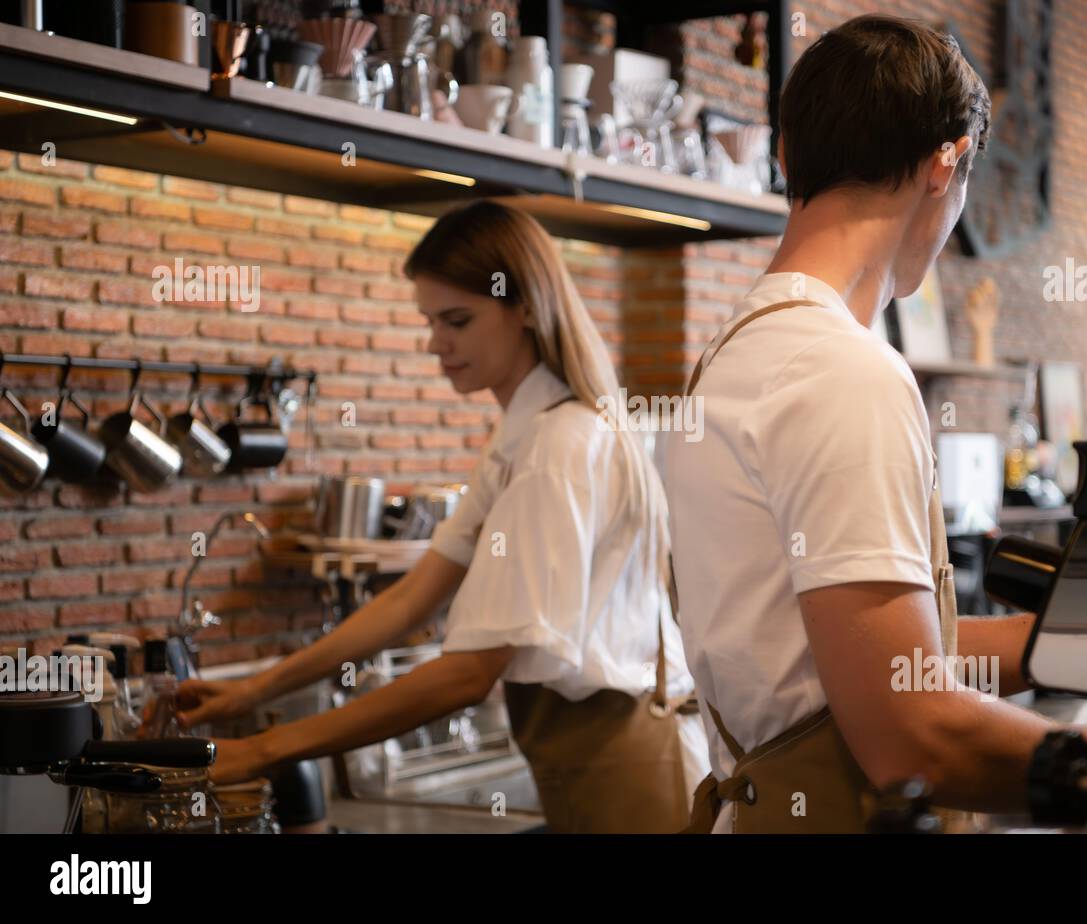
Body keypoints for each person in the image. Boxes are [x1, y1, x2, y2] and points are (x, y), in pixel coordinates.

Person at [665, 14, 1087, 834]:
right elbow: (912, 733)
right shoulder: (843, 372)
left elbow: (860, 659)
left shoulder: (733, 356)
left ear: (789, 157)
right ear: (946, 166)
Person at [176, 201, 708, 833]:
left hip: (632, 768)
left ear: (529, 308)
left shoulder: (556, 448)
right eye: (430, 321)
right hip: (607, 759)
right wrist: (253, 690)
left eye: (457, 319)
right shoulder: (525, 436)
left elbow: (468, 673)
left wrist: (264, 748)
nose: (436, 344)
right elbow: (412, 598)